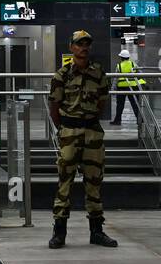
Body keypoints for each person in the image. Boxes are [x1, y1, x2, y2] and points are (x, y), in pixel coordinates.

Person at [47, 30, 118, 248]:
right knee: (64, 182)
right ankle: (59, 232)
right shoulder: (62, 75)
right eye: (79, 44)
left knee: (94, 181)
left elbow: (101, 103)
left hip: (92, 132)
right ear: (71, 47)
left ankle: (96, 231)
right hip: (69, 132)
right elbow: (54, 107)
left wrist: (88, 121)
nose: (83, 48)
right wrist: (64, 128)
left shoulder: (98, 74)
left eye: (87, 44)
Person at [110, 48, 146, 126]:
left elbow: (116, 78)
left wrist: (113, 89)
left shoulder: (119, 66)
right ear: (128, 57)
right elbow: (140, 73)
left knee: (120, 105)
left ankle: (117, 120)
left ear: (121, 57)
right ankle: (140, 120)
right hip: (133, 86)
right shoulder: (133, 64)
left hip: (121, 87)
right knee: (135, 104)